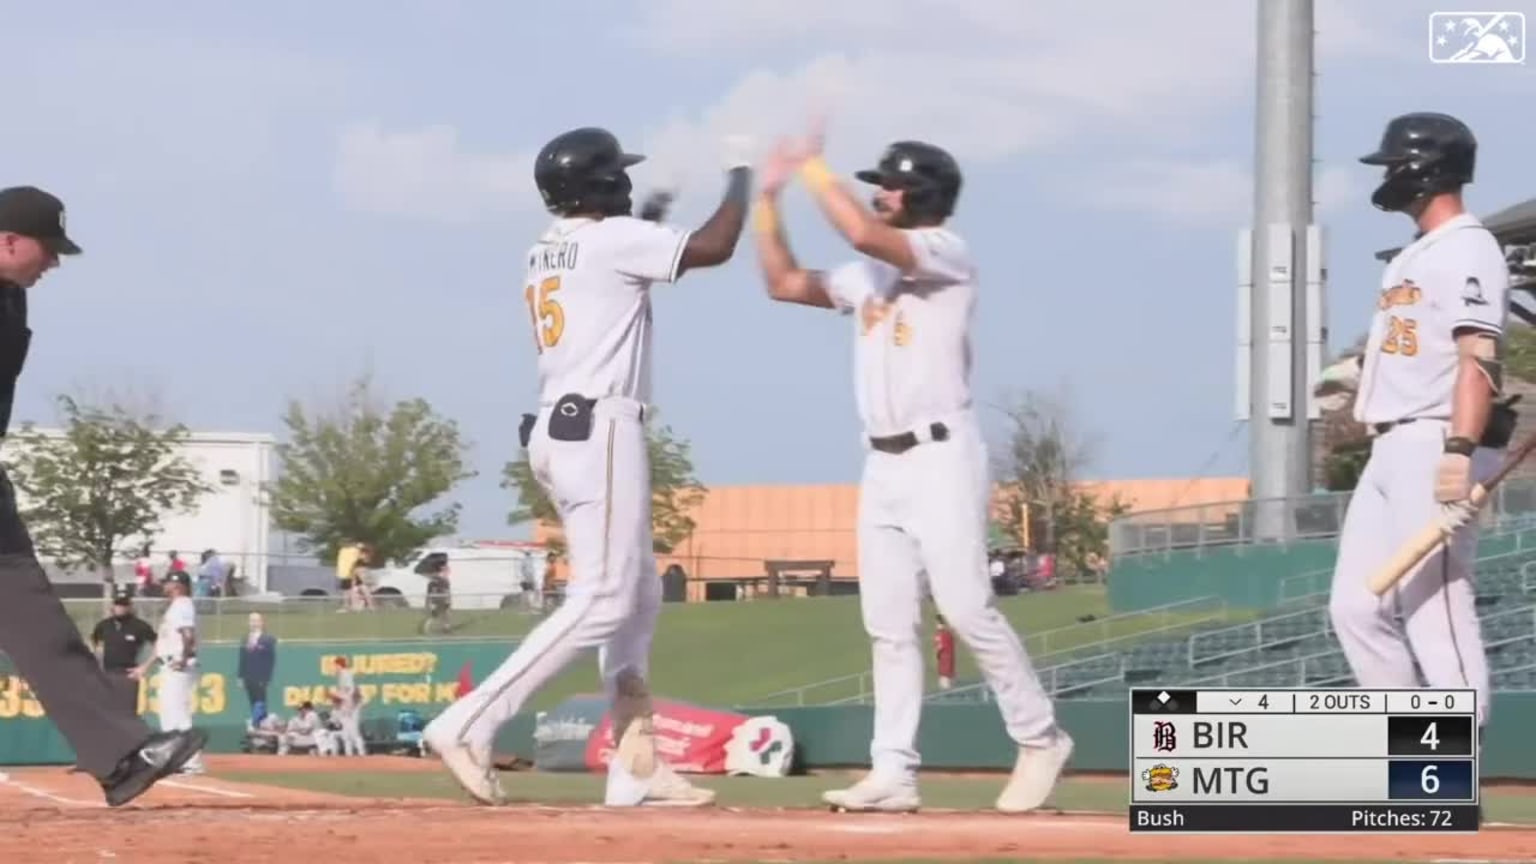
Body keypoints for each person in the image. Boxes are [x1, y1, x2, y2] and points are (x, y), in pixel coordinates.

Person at [421, 126, 751, 808]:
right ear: (602, 185)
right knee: (603, 599)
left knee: (639, 593)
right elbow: (714, 247)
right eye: (620, 176)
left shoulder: (549, 246)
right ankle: (468, 722)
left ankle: (635, 764)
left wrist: (656, 208)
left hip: (561, 425)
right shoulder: (609, 240)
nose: (627, 183)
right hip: (598, 426)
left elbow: (618, 275)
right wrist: (742, 174)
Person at [751, 122, 1073, 813]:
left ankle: (1040, 737)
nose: (879, 197)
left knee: (965, 607)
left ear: (920, 194)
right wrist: (768, 202)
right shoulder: (868, 276)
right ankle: (893, 768)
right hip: (883, 462)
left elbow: (867, 236)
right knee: (888, 623)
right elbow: (781, 282)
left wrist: (812, 169)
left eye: (888, 186)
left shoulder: (943, 250)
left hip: (941, 454)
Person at [0, 184, 206, 805]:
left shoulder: (12, 300)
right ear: (7, 241)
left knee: (29, 610)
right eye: (48, 248)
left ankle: (120, 754)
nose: (55, 263)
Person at [1329, 112, 1511, 733]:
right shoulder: (1418, 254)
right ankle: (1409, 748)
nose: (1388, 177)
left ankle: (1457, 758)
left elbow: (1478, 358)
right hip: (1390, 444)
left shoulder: (1467, 245)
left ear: (1426, 168)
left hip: (1435, 441)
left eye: (1396, 164)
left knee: (1437, 609)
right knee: (1356, 608)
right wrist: (1358, 375)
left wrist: (1460, 450)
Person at [138, 570, 207, 775]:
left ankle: (192, 762)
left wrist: (184, 658)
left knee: (179, 714)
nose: (165, 586)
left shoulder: (183, 604)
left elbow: (188, 633)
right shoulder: (176, 606)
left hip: (178, 665)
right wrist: (147, 666)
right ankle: (177, 760)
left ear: (178, 585)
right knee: (169, 714)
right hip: (169, 664)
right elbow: (165, 643)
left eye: (168, 583)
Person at [90, 586, 158, 713]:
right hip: (107, 673)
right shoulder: (104, 625)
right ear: (113, 606)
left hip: (128, 674)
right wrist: (97, 658)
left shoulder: (139, 626)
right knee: (108, 712)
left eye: (124, 605)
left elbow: (159, 644)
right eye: (118, 604)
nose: (120, 608)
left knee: (127, 713)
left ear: (130, 606)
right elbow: (94, 641)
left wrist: (144, 666)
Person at [237, 612, 278, 723]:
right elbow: (242, 658)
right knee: (252, 701)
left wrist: (267, 678)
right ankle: (256, 722)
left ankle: (262, 722)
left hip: (261, 677)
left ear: (261, 623)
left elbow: (271, 660)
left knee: (260, 702)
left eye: (256, 621)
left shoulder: (268, 639)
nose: (254, 623)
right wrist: (240, 677)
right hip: (248, 677)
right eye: (251, 621)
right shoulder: (245, 639)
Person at [329, 656, 368, 756]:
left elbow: (351, 690)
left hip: (352, 705)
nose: (334, 668)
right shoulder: (342, 674)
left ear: (339, 665)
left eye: (335, 665)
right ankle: (349, 754)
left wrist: (347, 702)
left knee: (354, 731)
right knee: (346, 732)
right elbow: (345, 692)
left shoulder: (346, 673)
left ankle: (361, 753)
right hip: (346, 704)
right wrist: (336, 696)